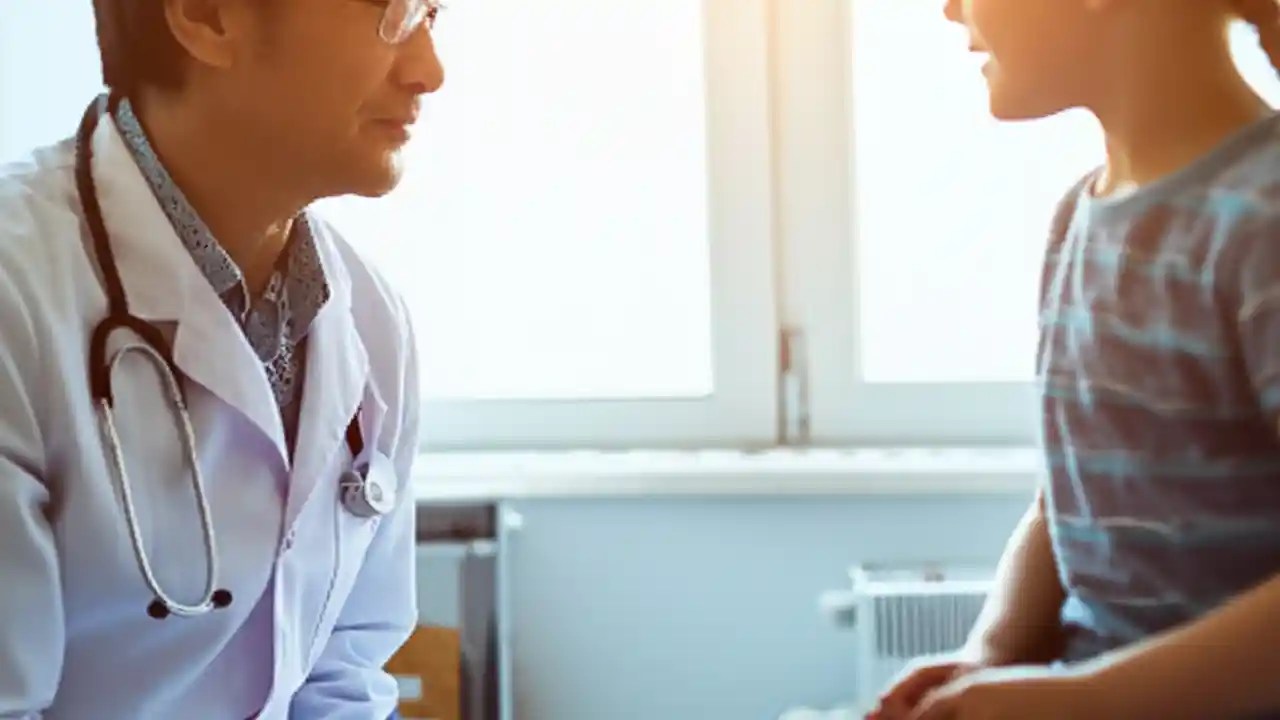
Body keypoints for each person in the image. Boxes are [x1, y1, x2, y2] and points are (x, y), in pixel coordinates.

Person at [0, 0, 443, 717]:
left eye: (433, 14)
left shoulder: (370, 317)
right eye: (391, 13)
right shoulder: (17, 294)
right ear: (206, 14)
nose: (430, 70)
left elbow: (345, 677)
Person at [870, 1, 1280, 719]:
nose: (948, 8)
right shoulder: (1076, 219)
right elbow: (1062, 502)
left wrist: (1086, 699)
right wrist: (990, 654)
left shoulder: (1264, 221)